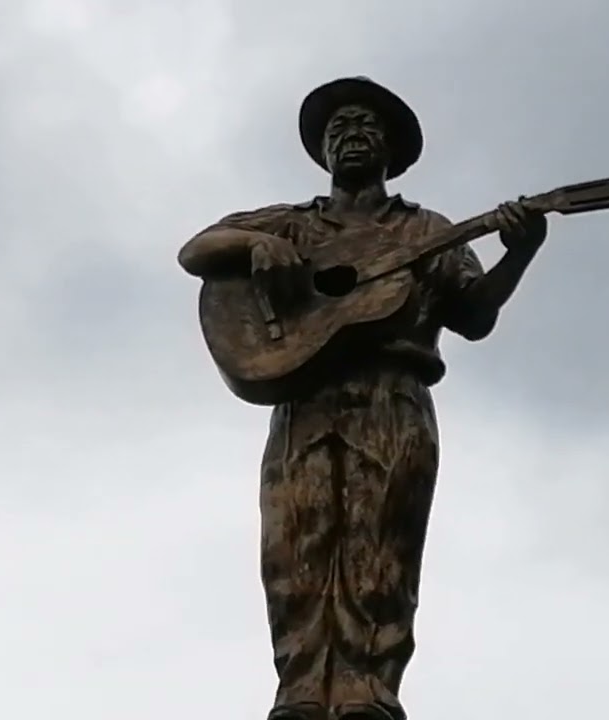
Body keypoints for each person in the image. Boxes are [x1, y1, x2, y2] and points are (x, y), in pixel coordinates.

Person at [177, 76, 548, 720]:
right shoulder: (293, 223)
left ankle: (366, 689)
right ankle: (299, 689)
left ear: (391, 149)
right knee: (296, 545)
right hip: (305, 396)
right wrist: (257, 243)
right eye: (338, 127)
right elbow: (197, 251)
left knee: (381, 550)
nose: (350, 134)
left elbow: (475, 314)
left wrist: (520, 254)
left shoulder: (426, 230)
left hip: (392, 397)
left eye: (366, 126)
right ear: (322, 150)